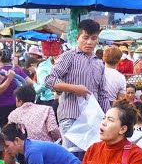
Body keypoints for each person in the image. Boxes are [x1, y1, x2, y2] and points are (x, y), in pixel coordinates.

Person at [46, 19, 117, 153]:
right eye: (85, 38)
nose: (89, 42)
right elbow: (49, 79)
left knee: (91, 157)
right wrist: (74, 88)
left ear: (97, 40)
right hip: (71, 117)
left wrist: (107, 118)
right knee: (72, 159)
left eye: (93, 38)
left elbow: (102, 94)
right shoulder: (68, 57)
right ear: (77, 38)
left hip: (93, 120)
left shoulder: (99, 64)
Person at [0, 50, 29, 128]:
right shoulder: (16, 70)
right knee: (11, 129)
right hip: (13, 104)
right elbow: (29, 82)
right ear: (11, 59)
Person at [102, 46, 127, 110]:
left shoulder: (97, 72)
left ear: (103, 58)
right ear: (119, 61)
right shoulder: (121, 77)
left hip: (95, 107)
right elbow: (120, 99)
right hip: (111, 109)